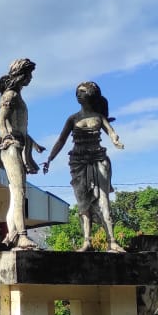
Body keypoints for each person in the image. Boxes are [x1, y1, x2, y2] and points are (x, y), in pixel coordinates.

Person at [42, 81, 125, 252]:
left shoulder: (98, 117)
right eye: (77, 92)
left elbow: (111, 132)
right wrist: (50, 158)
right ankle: (87, 241)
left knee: (104, 200)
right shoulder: (72, 118)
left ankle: (112, 240)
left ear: (90, 94)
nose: (78, 95)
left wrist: (116, 140)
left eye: (82, 91)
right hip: (78, 161)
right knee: (82, 203)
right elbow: (61, 140)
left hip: (98, 159)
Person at [0, 58, 43, 249]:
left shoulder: (16, 95)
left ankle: (13, 234)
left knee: (15, 192)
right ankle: (22, 235)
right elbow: (0, 120)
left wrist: (34, 145)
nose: (31, 78)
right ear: (21, 75)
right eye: (29, 74)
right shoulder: (10, 95)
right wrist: (7, 138)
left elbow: (20, 128)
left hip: (18, 144)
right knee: (19, 192)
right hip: (11, 147)